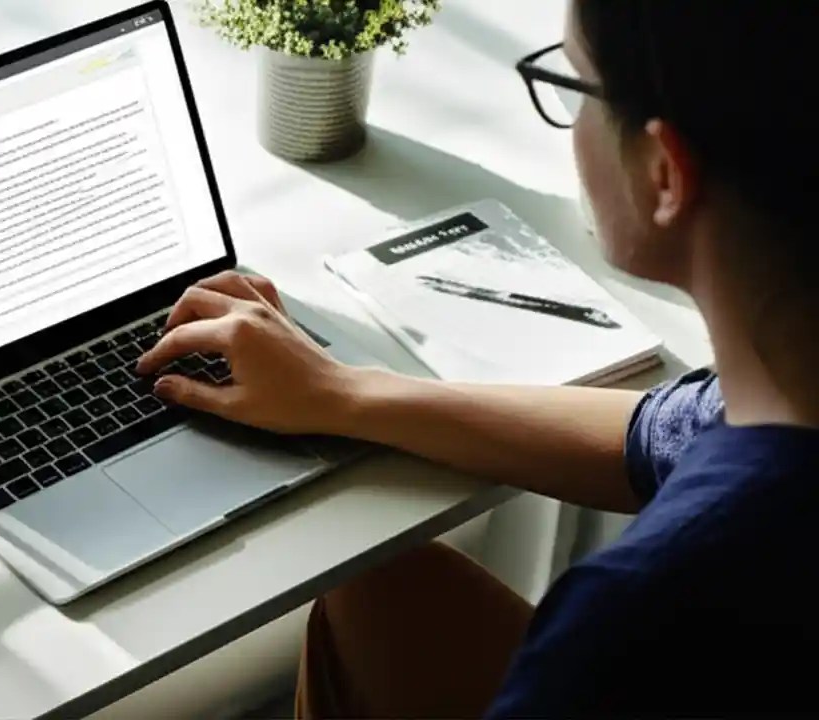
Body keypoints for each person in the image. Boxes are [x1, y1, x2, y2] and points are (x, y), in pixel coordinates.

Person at [135, 0, 819, 716]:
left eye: (575, 88)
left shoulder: (631, 619)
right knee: (385, 590)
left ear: (664, 174)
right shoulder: (783, 388)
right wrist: (340, 393)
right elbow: (655, 436)